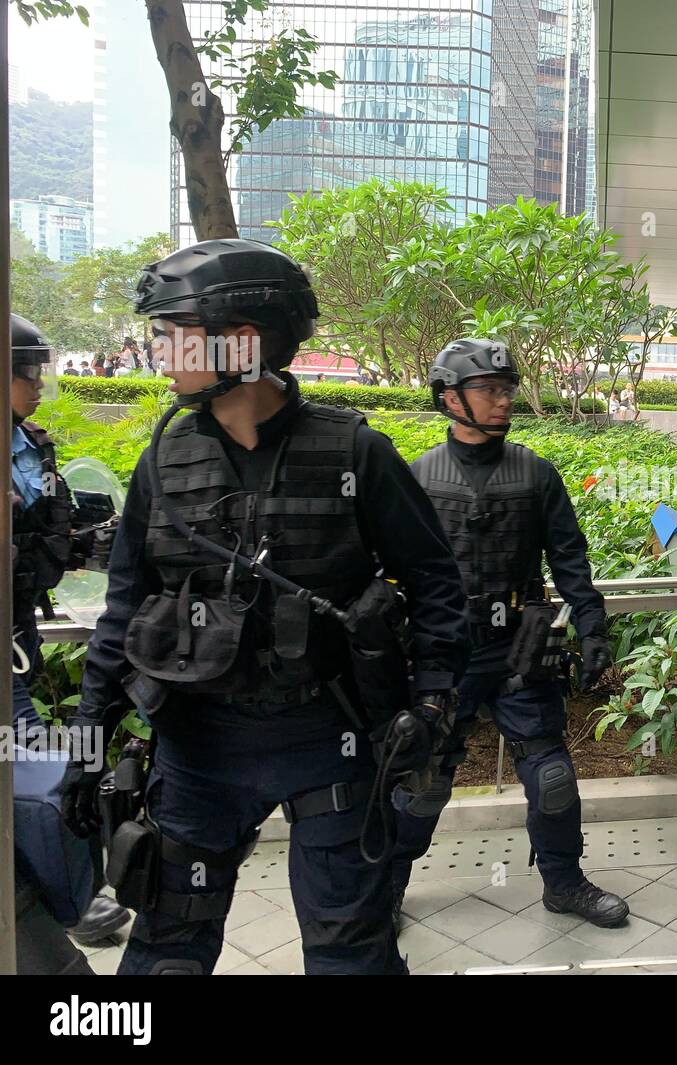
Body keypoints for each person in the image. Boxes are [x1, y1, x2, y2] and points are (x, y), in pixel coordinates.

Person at [57, 239, 472, 974]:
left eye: (172, 332)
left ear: (244, 343)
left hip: (330, 740)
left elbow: (437, 582)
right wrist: (87, 746)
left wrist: (434, 708)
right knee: (166, 948)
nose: (158, 350)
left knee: (352, 949)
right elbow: (126, 605)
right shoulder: (163, 459)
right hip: (197, 749)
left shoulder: (356, 453)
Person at [395, 339, 629, 928]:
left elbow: (570, 559)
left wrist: (592, 629)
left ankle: (564, 884)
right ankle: (382, 892)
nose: (503, 402)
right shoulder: (418, 476)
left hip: (521, 646)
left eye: (507, 390)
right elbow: (393, 568)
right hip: (446, 653)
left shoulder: (536, 474)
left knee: (551, 776)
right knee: (422, 780)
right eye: (489, 391)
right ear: (450, 398)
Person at [10, 314, 128, 970]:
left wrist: (92, 541)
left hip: (18, 639)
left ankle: (66, 897)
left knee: (39, 771)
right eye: (25, 371)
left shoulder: (33, 446)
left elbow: (45, 536)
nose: (37, 384)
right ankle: (62, 904)